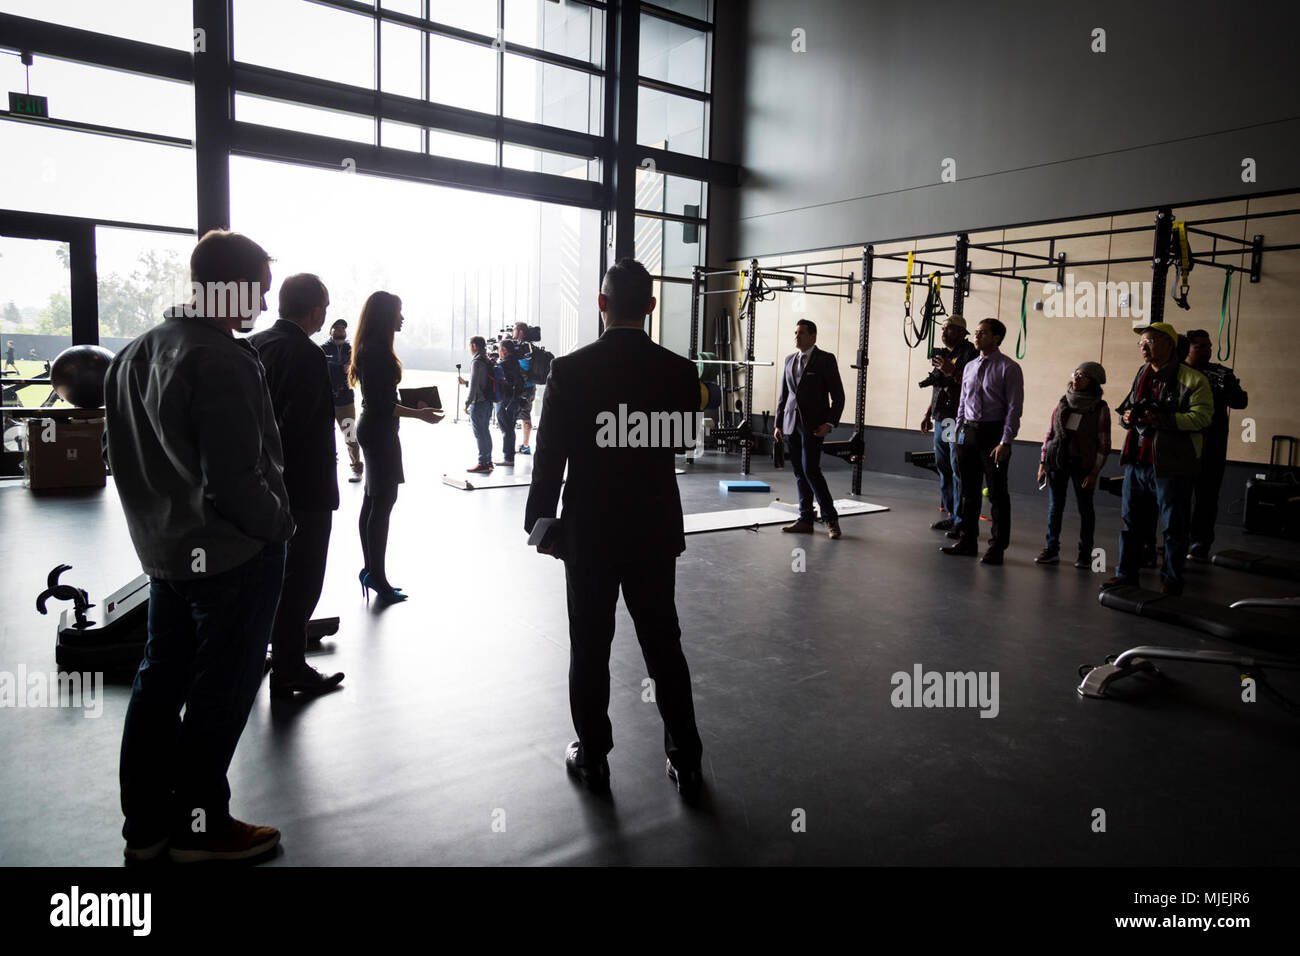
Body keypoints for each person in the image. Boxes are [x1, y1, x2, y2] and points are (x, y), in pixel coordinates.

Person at [104, 229, 291, 864]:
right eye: (259, 291)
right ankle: (201, 827)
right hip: (231, 558)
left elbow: (121, 460)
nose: (263, 307)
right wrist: (279, 528)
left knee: (158, 685)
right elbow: (237, 480)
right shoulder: (223, 360)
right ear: (232, 285)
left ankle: (148, 828)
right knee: (221, 691)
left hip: (165, 556)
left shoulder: (133, 354)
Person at [524, 258, 705, 800]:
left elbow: (549, 455)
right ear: (650, 307)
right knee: (663, 644)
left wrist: (541, 524)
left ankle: (595, 757)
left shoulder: (571, 369)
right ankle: (686, 760)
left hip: (590, 531)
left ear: (602, 305)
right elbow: (682, 443)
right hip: (651, 528)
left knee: (590, 644)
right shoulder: (678, 370)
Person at [250, 274, 346, 698]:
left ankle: (257, 655)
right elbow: (303, 426)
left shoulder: (254, 344)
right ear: (316, 309)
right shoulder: (306, 354)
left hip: (261, 486)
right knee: (302, 578)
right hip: (303, 489)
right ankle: (290, 666)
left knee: (266, 580)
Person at [1101, 323, 1213, 595]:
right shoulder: (1142, 374)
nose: (1143, 347)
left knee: (1174, 527)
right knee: (1131, 523)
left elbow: (1203, 417)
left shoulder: (1193, 379)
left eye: (1149, 341)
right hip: (1137, 462)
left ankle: (1172, 580)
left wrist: (1162, 419)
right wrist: (1126, 417)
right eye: (1141, 343)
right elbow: (1127, 407)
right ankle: (1126, 574)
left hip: (1172, 466)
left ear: (1169, 344)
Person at [349, 291, 442, 603]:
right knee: (383, 502)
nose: (403, 318)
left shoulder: (370, 348)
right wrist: (420, 414)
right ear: (386, 316)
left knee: (373, 500)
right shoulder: (376, 351)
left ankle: (372, 572)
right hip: (379, 432)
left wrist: (413, 405)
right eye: (399, 312)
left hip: (375, 430)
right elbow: (381, 404)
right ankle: (378, 577)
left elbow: (381, 398)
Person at [942, 317, 1024, 565]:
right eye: (976, 333)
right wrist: (957, 432)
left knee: (998, 494)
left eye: (982, 333)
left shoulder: (1009, 368)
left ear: (996, 338)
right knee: (969, 492)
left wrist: (1006, 441)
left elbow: (1013, 408)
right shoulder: (969, 367)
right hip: (968, 433)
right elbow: (962, 404)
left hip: (993, 435)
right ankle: (967, 541)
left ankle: (997, 547)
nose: (976, 337)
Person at [774, 319, 847, 539]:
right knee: (799, 472)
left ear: (813, 336)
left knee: (811, 471)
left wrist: (830, 423)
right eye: (795, 332)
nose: (797, 336)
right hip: (790, 424)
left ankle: (831, 520)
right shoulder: (789, 360)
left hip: (814, 426)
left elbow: (839, 397)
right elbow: (784, 395)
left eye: (802, 333)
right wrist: (778, 423)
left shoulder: (825, 360)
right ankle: (805, 518)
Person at [1034, 362, 1112, 568]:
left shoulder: (1099, 408)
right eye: (1075, 374)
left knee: (1085, 509)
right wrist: (1043, 462)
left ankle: (1085, 554)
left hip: (1083, 464)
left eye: (1083, 376)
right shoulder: (1063, 402)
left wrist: (1095, 472)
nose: (1076, 378)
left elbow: (1104, 444)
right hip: (1058, 461)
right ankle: (1051, 550)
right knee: (1055, 507)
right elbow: (1049, 435)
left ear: (1093, 381)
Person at [1184, 329, 1248, 560]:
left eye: (1209, 345)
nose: (1207, 350)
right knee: (1177, 496)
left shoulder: (1220, 373)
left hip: (1213, 444)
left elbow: (1240, 402)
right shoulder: (1177, 373)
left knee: (1207, 496)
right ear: (1188, 349)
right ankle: (1176, 541)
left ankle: (1199, 544)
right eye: (1199, 346)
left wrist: (1228, 386)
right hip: (1183, 444)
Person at [919, 315, 978, 530]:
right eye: (943, 328)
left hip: (957, 418)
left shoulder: (970, 354)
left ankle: (961, 520)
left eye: (950, 329)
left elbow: (973, 385)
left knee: (957, 468)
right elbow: (938, 386)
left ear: (962, 333)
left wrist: (952, 371)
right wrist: (928, 413)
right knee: (944, 467)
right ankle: (952, 514)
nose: (944, 332)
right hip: (942, 417)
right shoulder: (943, 355)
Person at [321, 319, 364, 484]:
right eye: (336, 328)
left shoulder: (352, 350)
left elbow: (359, 374)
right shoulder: (322, 350)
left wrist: (352, 368)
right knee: (326, 437)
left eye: (343, 328)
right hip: (326, 400)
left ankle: (356, 469)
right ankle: (328, 469)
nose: (340, 331)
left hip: (346, 400)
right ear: (330, 331)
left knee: (350, 436)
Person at [457, 334, 495, 473]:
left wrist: (467, 402)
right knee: (485, 431)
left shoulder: (476, 361)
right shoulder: (487, 359)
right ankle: (488, 461)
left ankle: (482, 463)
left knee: (480, 433)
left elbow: (474, 385)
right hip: (488, 401)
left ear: (474, 345)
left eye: (470, 346)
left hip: (478, 403)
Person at [495, 328, 527, 464]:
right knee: (510, 428)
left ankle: (508, 457)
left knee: (507, 428)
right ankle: (509, 456)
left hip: (506, 401)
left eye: (499, 349)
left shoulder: (505, 364)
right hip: (514, 400)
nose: (498, 352)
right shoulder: (514, 362)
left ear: (505, 351)